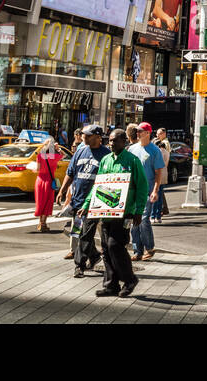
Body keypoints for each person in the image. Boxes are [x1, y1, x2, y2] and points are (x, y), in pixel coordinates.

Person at [83, 128, 147, 298]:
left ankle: (130, 279)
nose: (111, 144)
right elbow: (98, 186)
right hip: (105, 212)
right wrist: (87, 204)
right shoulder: (105, 160)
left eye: (114, 141)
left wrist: (139, 211)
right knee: (105, 248)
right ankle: (111, 285)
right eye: (109, 141)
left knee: (115, 245)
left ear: (124, 142)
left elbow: (142, 187)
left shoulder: (133, 161)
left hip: (125, 213)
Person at [59, 124, 108, 277]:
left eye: (87, 135)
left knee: (85, 234)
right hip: (77, 200)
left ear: (98, 137)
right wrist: (63, 189)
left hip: (95, 202)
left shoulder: (106, 155)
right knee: (79, 233)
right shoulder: (80, 151)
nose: (83, 137)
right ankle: (94, 256)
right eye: (83, 134)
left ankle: (79, 265)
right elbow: (71, 172)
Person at [130, 123, 165, 261]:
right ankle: (137, 250)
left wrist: (155, 190)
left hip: (147, 189)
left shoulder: (154, 150)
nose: (137, 133)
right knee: (133, 219)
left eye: (140, 131)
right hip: (133, 190)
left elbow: (158, 173)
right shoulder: (132, 149)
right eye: (137, 131)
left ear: (148, 133)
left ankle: (149, 248)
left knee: (144, 219)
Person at [33, 137, 60, 233]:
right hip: (49, 181)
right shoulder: (54, 157)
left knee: (40, 202)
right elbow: (64, 155)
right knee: (47, 202)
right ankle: (43, 223)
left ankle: (41, 223)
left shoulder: (40, 156)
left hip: (40, 180)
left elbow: (37, 169)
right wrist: (58, 149)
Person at [151, 128, 172, 222]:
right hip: (164, 174)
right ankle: (158, 215)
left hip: (157, 175)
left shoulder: (158, 152)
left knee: (155, 195)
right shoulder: (166, 152)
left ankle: (153, 215)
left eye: (159, 134)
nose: (157, 135)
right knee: (160, 195)